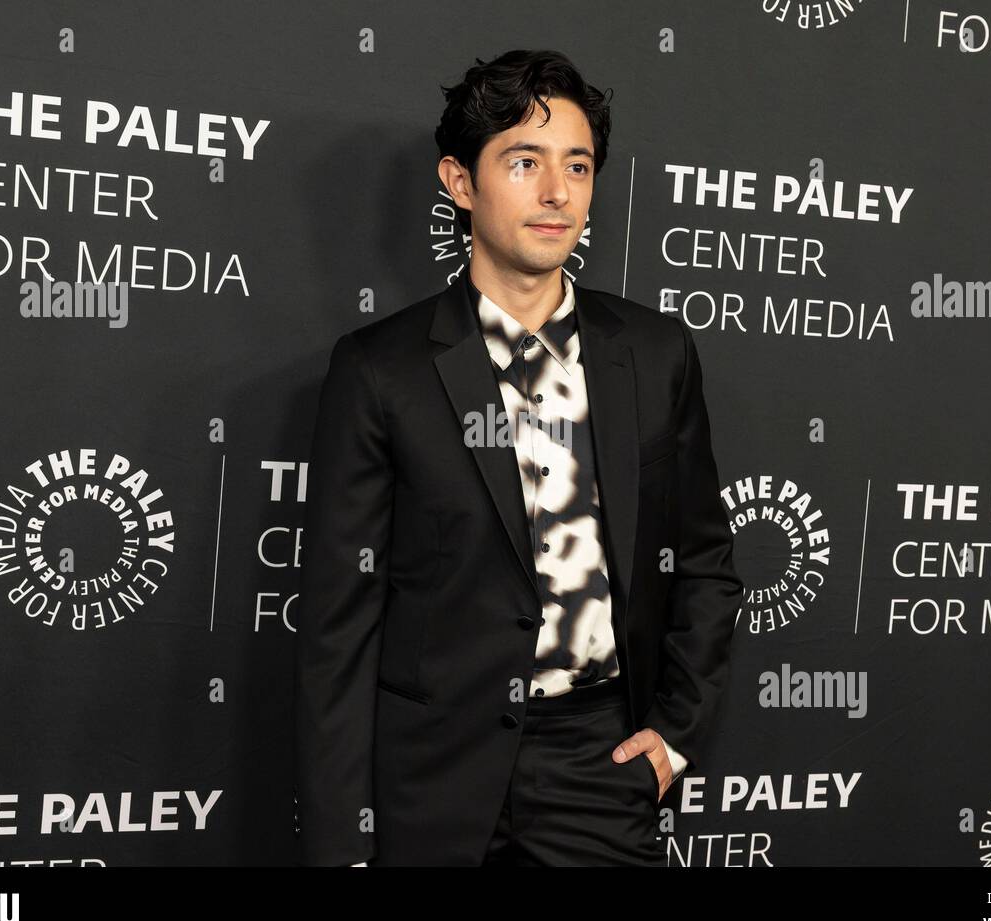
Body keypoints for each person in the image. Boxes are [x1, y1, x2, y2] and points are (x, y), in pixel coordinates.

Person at [296, 49, 743, 866]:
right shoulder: (379, 370)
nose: (556, 193)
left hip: (598, 765)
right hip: (429, 773)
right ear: (460, 182)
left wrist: (674, 738)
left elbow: (706, 563)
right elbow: (338, 626)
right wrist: (340, 839)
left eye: (577, 165)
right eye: (523, 162)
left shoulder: (654, 353)